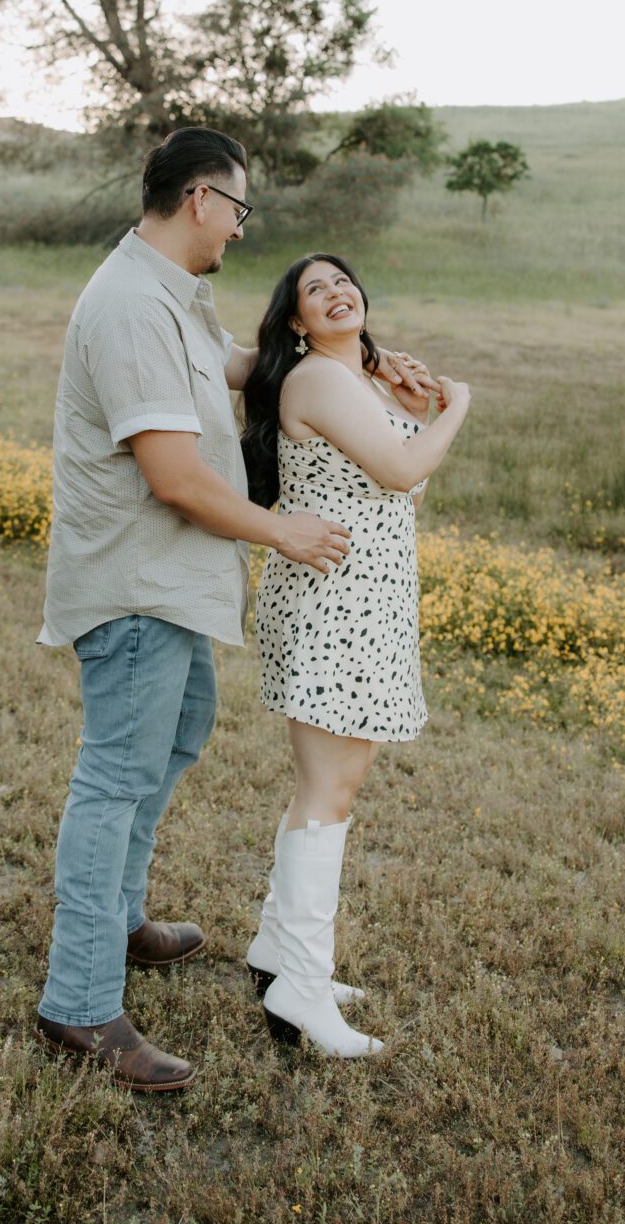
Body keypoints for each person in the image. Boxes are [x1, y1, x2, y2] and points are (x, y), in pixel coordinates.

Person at [33, 130, 428, 1092]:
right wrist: (281, 530)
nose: (241, 232)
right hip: (135, 581)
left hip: (175, 581)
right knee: (115, 778)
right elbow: (172, 476)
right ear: (203, 200)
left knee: (174, 741)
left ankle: (122, 919)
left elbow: (242, 365)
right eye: (239, 211)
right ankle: (79, 1001)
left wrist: (362, 364)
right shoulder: (132, 306)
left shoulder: (171, 292)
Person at [240, 253, 471, 1057]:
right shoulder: (319, 380)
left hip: (363, 603)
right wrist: (457, 407)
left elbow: (401, 484)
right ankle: (302, 987)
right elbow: (405, 468)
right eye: (316, 290)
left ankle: (279, 950)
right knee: (328, 789)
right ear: (296, 321)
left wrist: (408, 405)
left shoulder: (354, 381)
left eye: (343, 281)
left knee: (328, 785)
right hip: (336, 605)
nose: (336, 292)